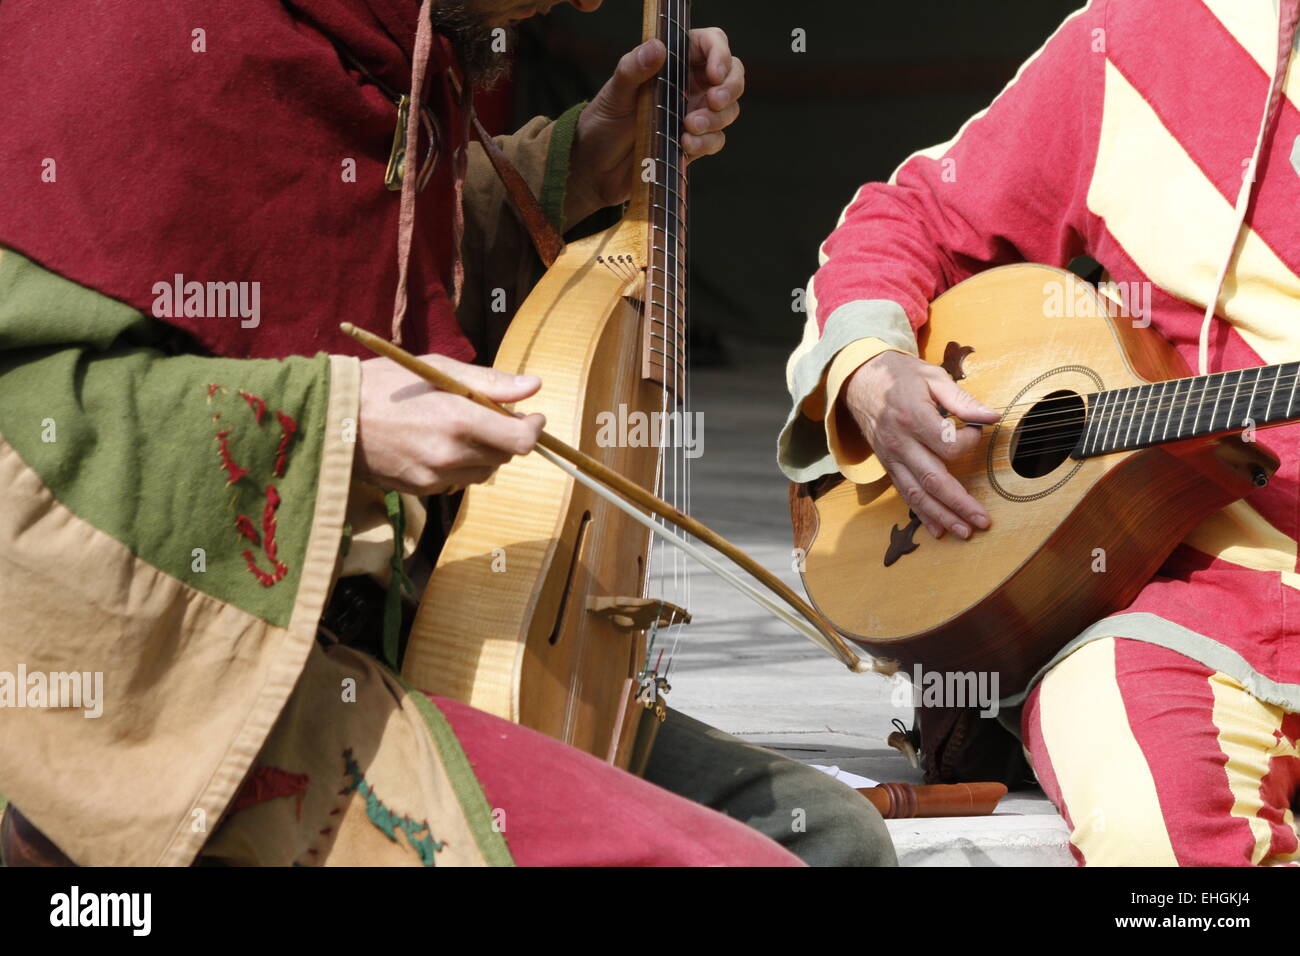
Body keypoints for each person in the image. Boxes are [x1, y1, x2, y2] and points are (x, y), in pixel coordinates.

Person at [0, 0, 892, 866]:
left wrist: (576, 166)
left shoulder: (391, 39)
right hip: (170, 676)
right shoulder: (116, 43)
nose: (583, 2)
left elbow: (336, 249)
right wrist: (331, 425)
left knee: (828, 835)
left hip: (385, 631)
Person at [780, 0, 1300, 866]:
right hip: (1185, 596)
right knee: (1153, 832)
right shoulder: (1153, 33)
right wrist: (870, 368)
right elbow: (912, 219)